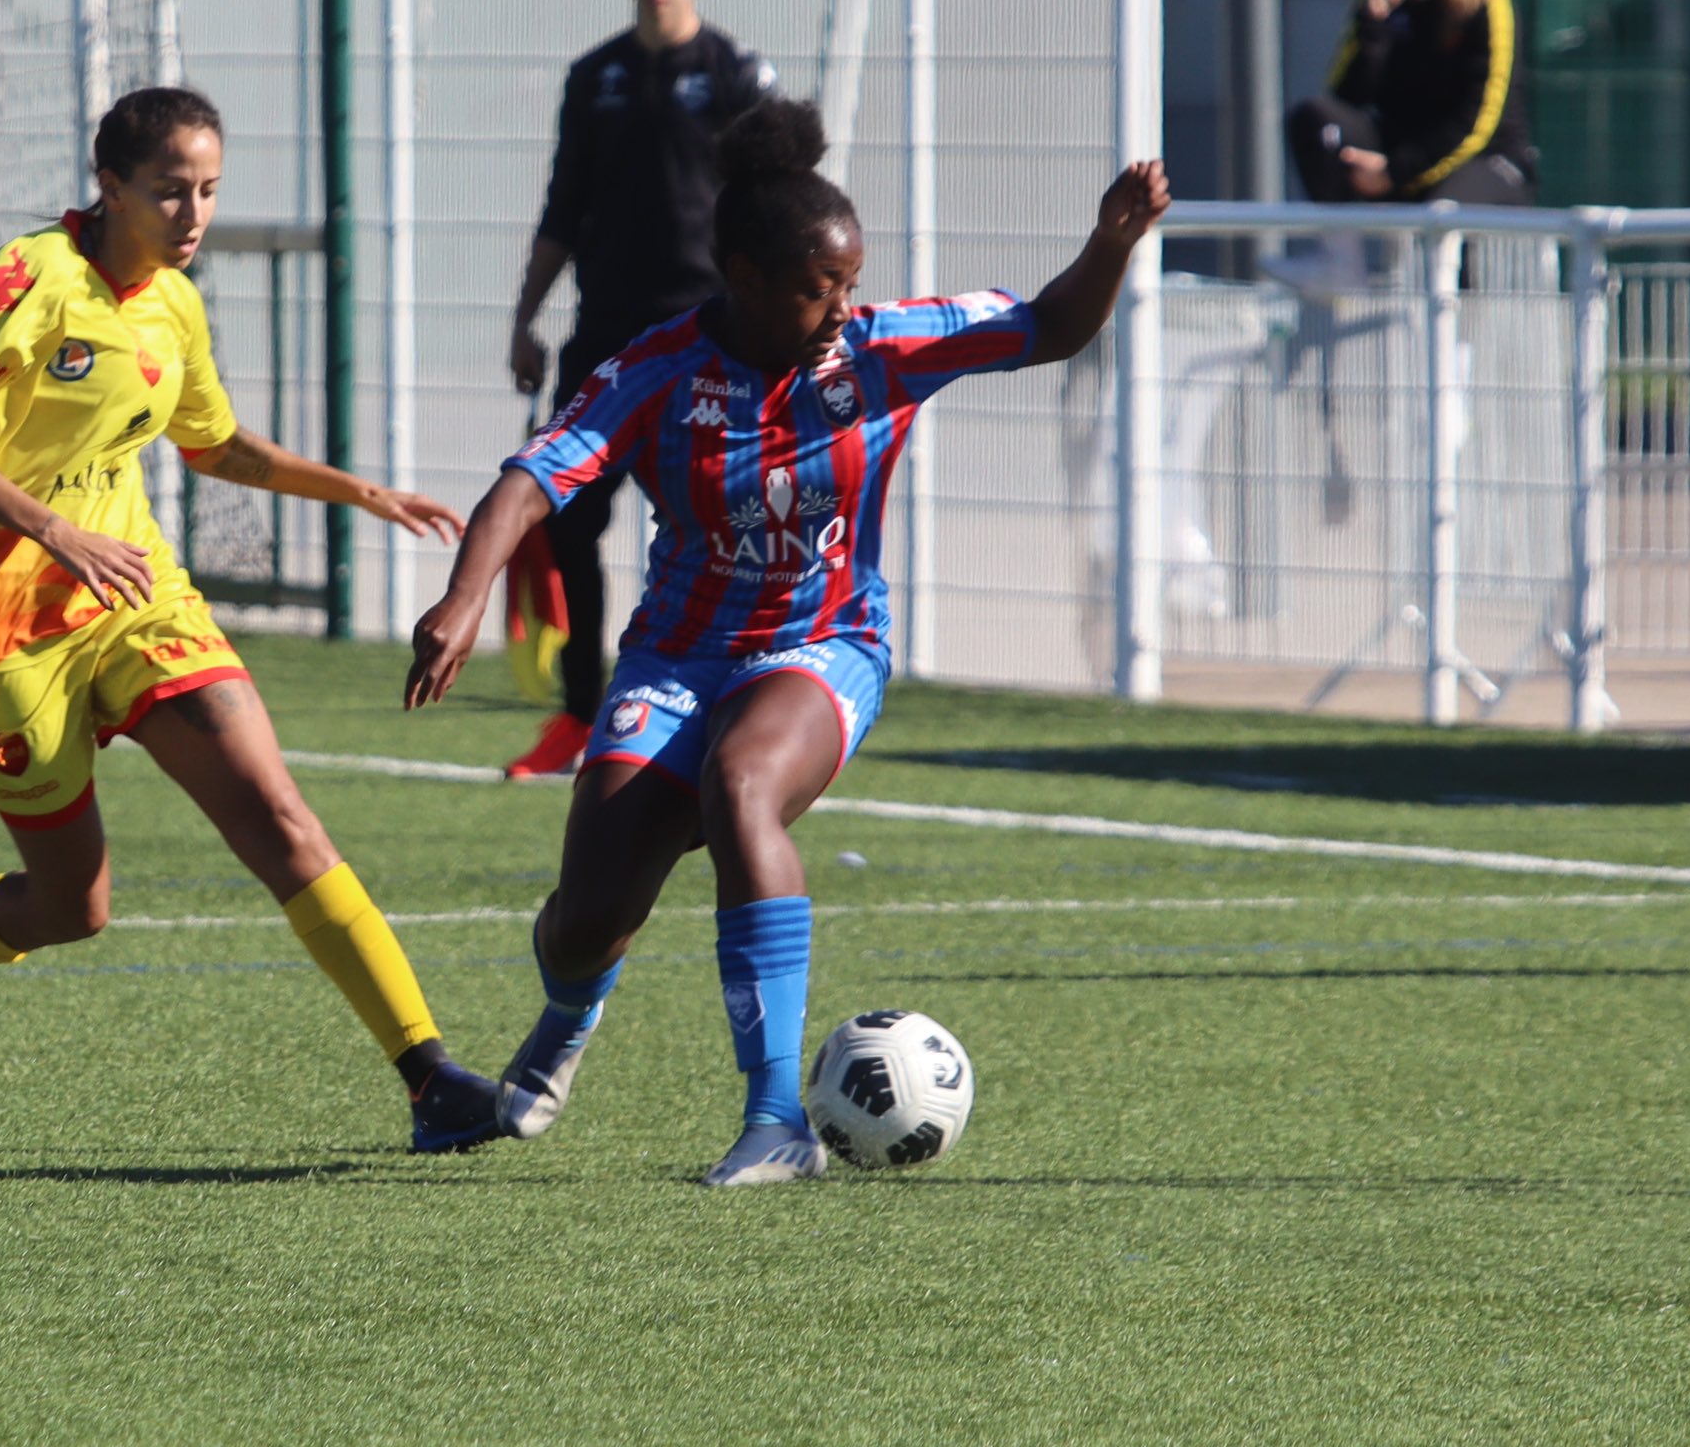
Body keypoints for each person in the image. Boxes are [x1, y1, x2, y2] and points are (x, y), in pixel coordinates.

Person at [408, 101, 1171, 1184]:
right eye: (818, 287)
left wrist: (1110, 243)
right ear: (740, 274)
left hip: (823, 643)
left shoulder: (882, 350)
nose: (840, 308)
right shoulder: (662, 366)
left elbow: (1048, 326)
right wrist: (462, 598)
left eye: (850, 283)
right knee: (586, 919)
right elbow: (532, 477)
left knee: (742, 783)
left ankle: (776, 1124)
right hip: (675, 660)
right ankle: (562, 1030)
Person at [0, 86, 509, 1152]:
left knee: (281, 820)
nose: (193, 215)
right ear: (108, 187)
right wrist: (58, 535)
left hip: (136, 602)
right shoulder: (33, 281)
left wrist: (359, 491)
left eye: (207, 191)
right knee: (74, 907)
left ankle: (429, 1075)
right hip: (1, 631)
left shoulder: (173, 302)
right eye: (169, 192)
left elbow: (214, 446)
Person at [500, 0, 783, 780]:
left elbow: (778, 205)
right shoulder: (596, 78)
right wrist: (524, 319)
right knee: (569, 520)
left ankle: (728, 702)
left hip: (709, 341)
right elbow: (561, 208)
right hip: (607, 343)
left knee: (716, 525)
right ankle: (579, 716)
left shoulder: (738, 75)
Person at [1285, 0, 1529, 208]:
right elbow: (1345, 99)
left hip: (1481, 162)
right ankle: (1340, 254)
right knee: (1314, 120)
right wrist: (1372, 33)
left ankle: (1443, 255)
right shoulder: (1381, 4)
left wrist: (1396, 172)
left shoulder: (1487, 3)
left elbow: (1476, 122)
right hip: (1400, 159)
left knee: (1444, 211)